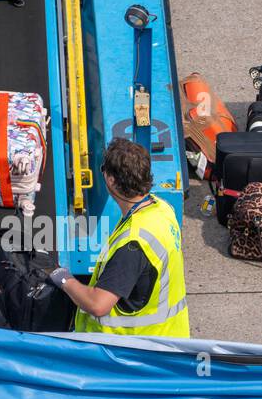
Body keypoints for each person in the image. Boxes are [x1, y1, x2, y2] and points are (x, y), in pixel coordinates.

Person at [48, 138, 189, 337]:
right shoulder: (162, 208)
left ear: (111, 180)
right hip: (168, 337)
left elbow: (98, 305)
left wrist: (64, 279)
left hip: (132, 353)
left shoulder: (134, 244)